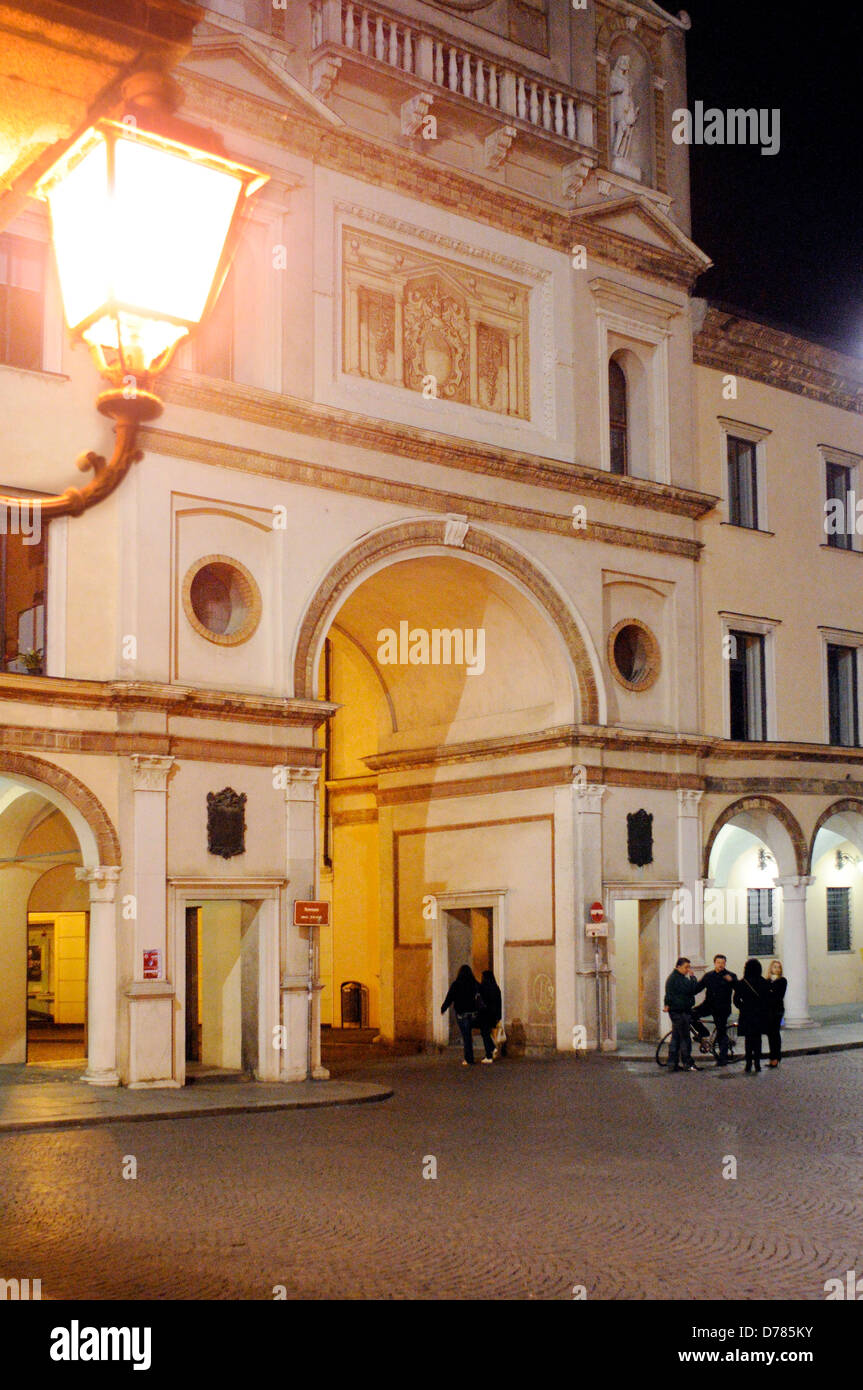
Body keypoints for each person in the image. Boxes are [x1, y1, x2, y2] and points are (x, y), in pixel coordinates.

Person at [441, 964, 494, 1066]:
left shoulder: (456, 984)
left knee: (467, 1037)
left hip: (462, 1015)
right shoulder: (474, 983)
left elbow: (449, 998)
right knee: (484, 1032)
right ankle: (489, 1051)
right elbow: (483, 994)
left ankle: (469, 1059)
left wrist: (443, 1008)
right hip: (474, 1014)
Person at [692, 954, 738, 1065]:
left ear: (725, 963)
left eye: (722, 963)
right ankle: (703, 1032)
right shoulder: (708, 976)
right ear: (714, 963)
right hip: (708, 1005)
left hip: (722, 1008)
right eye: (718, 963)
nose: (720, 965)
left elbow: (738, 988)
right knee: (691, 1014)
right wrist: (692, 980)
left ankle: (723, 1058)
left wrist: (732, 981)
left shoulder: (731, 975)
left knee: (721, 1031)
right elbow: (697, 988)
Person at [663, 956, 703, 1072]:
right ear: (678, 967)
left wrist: (667, 1005)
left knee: (676, 1037)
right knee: (685, 1038)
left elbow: (669, 995)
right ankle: (687, 1063)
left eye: (689, 967)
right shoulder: (679, 979)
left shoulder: (673, 978)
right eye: (686, 967)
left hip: (675, 1011)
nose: (688, 969)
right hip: (681, 1012)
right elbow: (693, 989)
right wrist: (693, 977)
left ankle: (672, 1063)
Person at [733, 958, 769, 1073]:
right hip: (759, 1015)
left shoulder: (742, 983)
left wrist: (744, 1007)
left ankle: (748, 1064)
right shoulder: (764, 982)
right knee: (758, 1040)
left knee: (748, 1040)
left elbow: (736, 1000)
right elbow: (767, 999)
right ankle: (757, 1063)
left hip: (746, 1015)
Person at [765, 958, 787, 1067]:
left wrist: (770, 991)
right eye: (775, 967)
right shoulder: (767, 980)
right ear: (771, 968)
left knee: (775, 1034)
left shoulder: (782, 980)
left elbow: (778, 995)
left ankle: (776, 1057)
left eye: (779, 967)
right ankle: (772, 1057)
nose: (777, 969)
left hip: (777, 1011)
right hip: (768, 1011)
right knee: (770, 1035)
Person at [478, 969, 503, 1059]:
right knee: (486, 1033)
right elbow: (499, 1003)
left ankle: (489, 1053)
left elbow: (480, 1001)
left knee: (485, 1033)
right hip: (493, 1015)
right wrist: (498, 1016)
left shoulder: (483, 988)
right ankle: (491, 1050)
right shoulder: (496, 988)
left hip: (485, 1015)